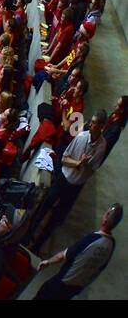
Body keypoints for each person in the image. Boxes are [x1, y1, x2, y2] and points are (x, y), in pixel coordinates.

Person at [31, 110, 108, 249]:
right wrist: (78, 163)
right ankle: (28, 234)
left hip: (75, 186)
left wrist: (86, 165)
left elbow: (93, 168)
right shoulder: (81, 137)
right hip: (63, 178)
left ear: (101, 127)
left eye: (95, 123)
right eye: (92, 121)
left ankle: (38, 245)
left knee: (55, 218)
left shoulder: (102, 147)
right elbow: (64, 159)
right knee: (44, 206)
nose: (91, 125)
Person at [34, 203, 121, 299]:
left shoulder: (92, 239)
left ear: (105, 220)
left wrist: (48, 261)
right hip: (74, 289)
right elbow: (99, 270)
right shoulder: (112, 244)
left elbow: (63, 255)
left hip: (62, 282)